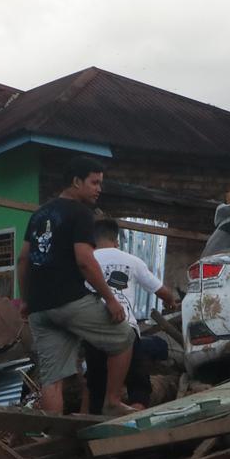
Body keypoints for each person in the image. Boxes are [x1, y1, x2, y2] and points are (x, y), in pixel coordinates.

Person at [17, 156, 136, 415]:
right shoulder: (81, 213)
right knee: (124, 337)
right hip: (70, 301)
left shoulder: (39, 215)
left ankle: (54, 435)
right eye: (94, 183)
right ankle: (113, 402)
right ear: (75, 182)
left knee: (52, 379)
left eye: (100, 183)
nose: (99, 189)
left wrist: (26, 300)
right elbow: (85, 261)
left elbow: (23, 259)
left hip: (40, 309)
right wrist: (111, 300)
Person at [81, 218, 180, 415]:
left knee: (96, 385)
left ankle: (95, 431)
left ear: (92, 241)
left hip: (93, 332)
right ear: (116, 240)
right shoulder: (133, 261)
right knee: (139, 386)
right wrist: (171, 302)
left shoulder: (85, 263)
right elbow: (162, 291)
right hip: (126, 331)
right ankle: (132, 425)